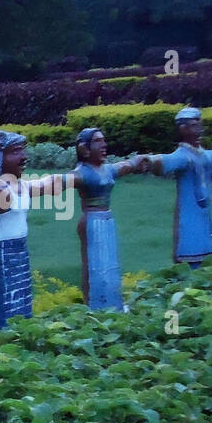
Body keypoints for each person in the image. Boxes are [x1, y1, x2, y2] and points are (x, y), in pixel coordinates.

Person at [0, 130, 73, 328]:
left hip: (20, 249)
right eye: (16, 152)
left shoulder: (22, 186)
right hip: (3, 251)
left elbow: (48, 184)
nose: (23, 157)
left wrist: (71, 178)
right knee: (5, 299)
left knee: (22, 297)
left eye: (23, 151)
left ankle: (20, 337)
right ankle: (3, 340)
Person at [70, 127, 146, 309]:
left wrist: (140, 161)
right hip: (92, 223)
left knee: (110, 265)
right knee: (94, 267)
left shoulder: (106, 169)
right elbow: (57, 182)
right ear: (84, 148)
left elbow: (125, 166)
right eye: (97, 141)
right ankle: (96, 307)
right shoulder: (82, 173)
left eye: (103, 140)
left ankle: (112, 304)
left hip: (106, 221)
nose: (104, 145)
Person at [146, 107, 212, 268]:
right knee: (192, 258)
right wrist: (149, 161)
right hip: (189, 218)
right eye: (195, 125)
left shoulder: (203, 155)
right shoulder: (184, 157)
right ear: (183, 129)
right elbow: (165, 162)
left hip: (203, 217)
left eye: (200, 124)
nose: (200, 129)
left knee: (207, 261)